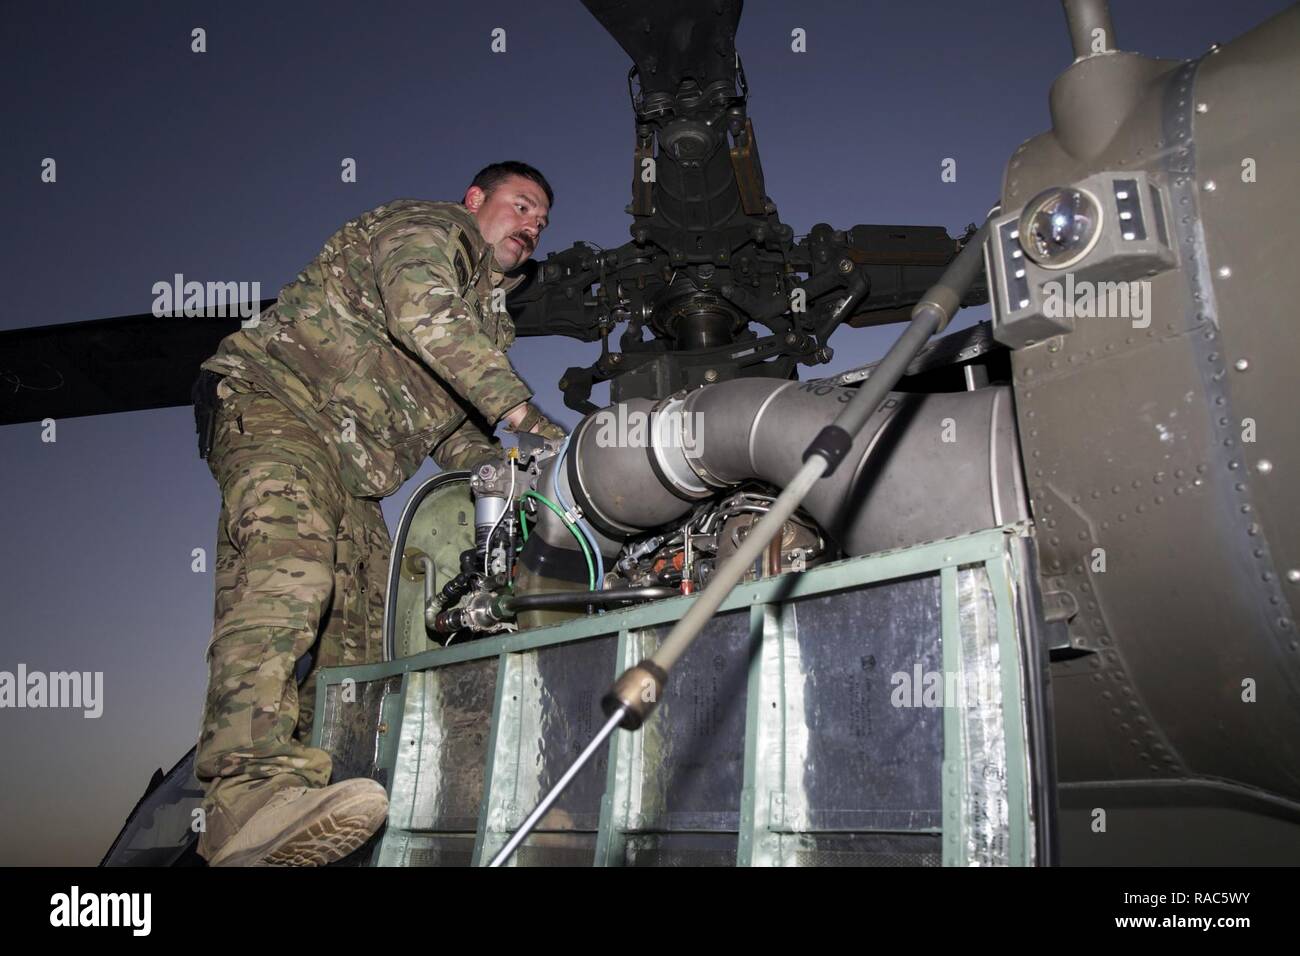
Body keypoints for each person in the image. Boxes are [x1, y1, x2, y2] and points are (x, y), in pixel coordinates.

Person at [189, 161, 566, 866]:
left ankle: (324, 803)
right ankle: (244, 798)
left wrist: (526, 473)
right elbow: (420, 307)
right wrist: (526, 417)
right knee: (289, 578)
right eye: (521, 206)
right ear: (475, 200)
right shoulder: (430, 231)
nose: (531, 226)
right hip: (276, 404)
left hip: (352, 473)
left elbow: (452, 434)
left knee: (371, 634)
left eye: (541, 221)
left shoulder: (487, 321)